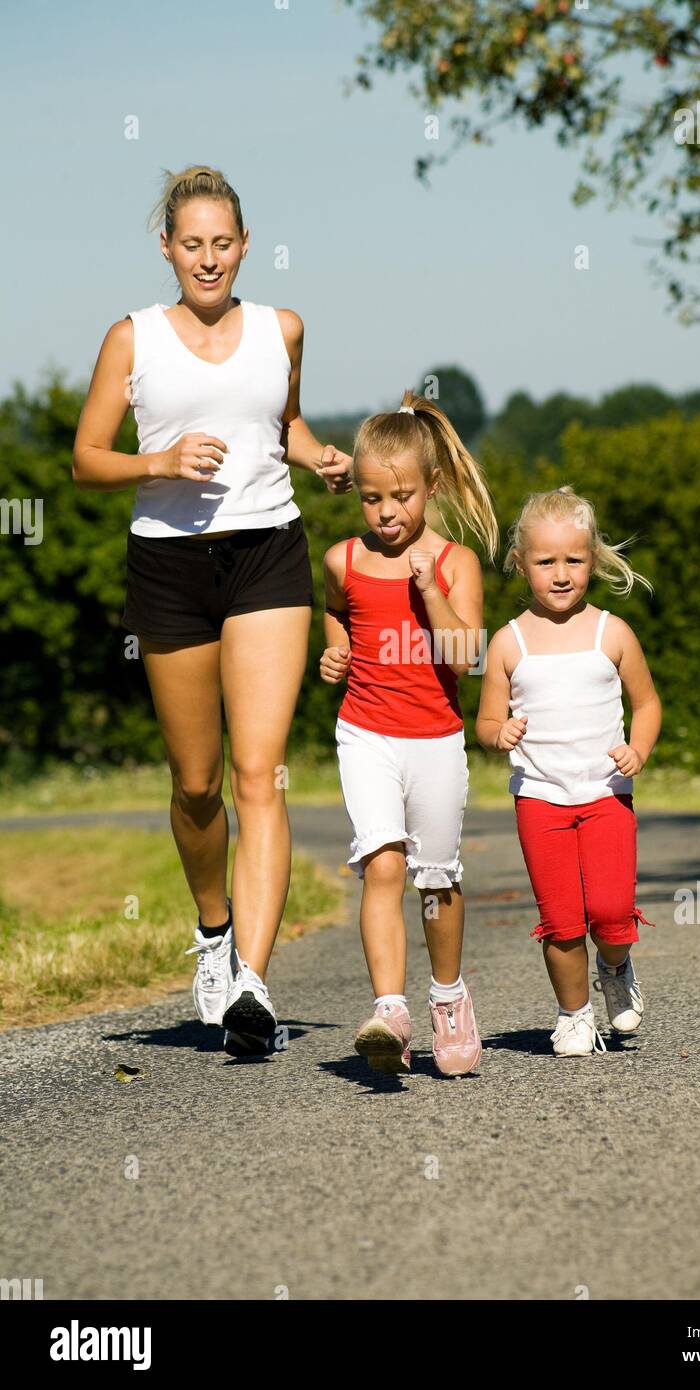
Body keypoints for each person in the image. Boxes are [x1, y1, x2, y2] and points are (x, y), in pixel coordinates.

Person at [72, 165, 352, 1056]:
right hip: (167, 566)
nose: (207, 258)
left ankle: (254, 987)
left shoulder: (283, 329)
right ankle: (213, 930)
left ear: (243, 244)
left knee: (257, 774)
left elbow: (286, 425)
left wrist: (318, 458)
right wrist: (158, 461)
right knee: (196, 783)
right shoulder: (133, 339)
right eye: (189, 243)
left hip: (269, 552)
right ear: (166, 248)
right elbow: (87, 457)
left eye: (221, 243)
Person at [320, 391, 498, 1076]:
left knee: (435, 882)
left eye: (399, 496)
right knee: (382, 864)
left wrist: (429, 590)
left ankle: (448, 999)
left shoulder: (455, 564)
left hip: (434, 740)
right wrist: (333, 649)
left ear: (431, 486)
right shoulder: (344, 560)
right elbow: (335, 611)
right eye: (370, 499)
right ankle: (390, 1010)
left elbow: (464, 655)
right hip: (366, 734)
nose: (386, 512)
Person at [476, 486, 662, 1057]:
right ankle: (574, 1015)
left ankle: (617, 965)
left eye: (574, 560)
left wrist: (638, 749)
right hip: (539, 797)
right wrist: (496, 733)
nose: (561, 574)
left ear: (594, 560)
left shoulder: (613, 633)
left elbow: (648, 704)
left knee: (608, 912)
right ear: (520, 564)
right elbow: (483, 721)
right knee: (561, 921)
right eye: (546, 561)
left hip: (606, 794)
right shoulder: (508, 643)